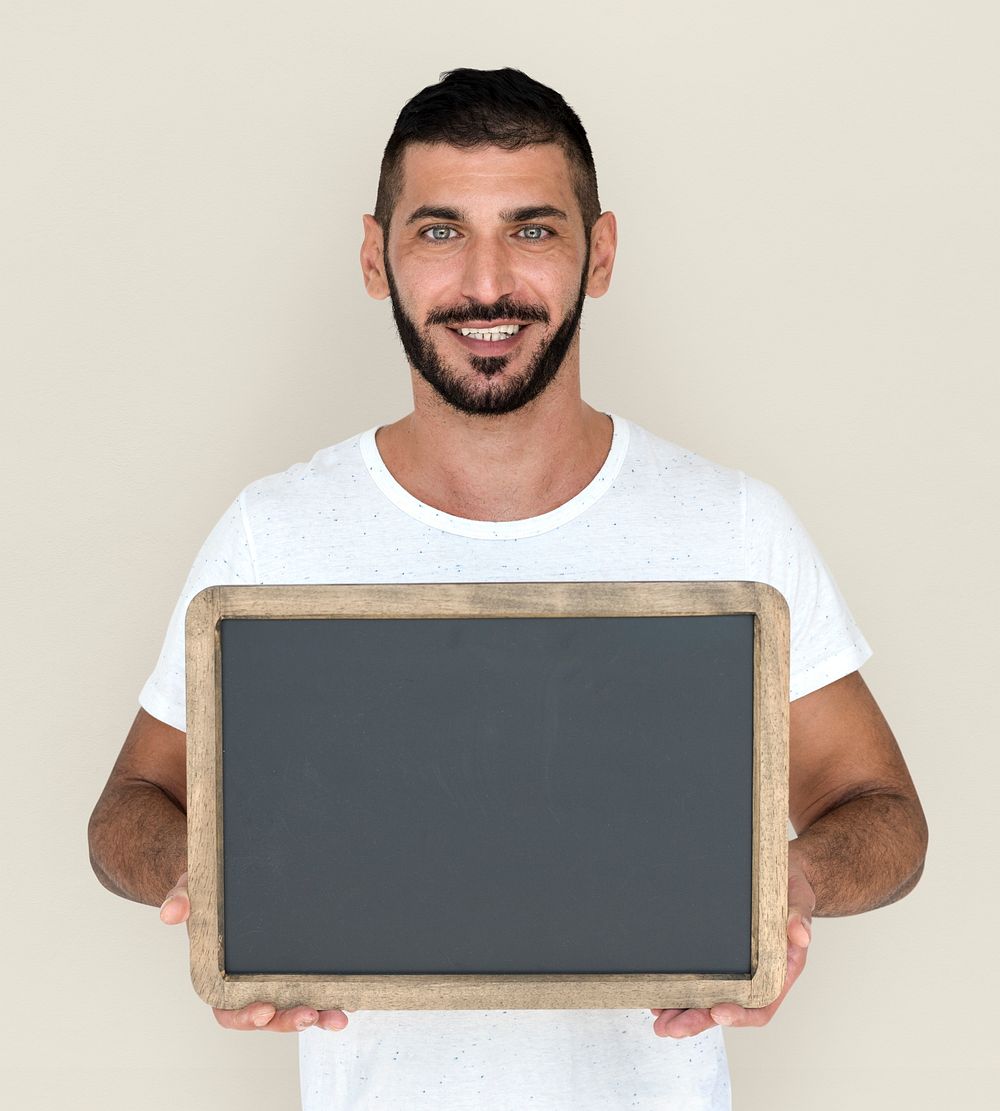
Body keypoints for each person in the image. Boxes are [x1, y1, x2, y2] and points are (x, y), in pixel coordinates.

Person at [88, 67, 927, 1110]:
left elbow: (883, 811)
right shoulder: (276, 532)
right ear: (372, 256)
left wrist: (792, 881)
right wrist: (208, 875)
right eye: (439, 232)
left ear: (600, 253)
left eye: (532, 230)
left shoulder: (733, 524)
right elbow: (131, 805)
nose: (486, 284)